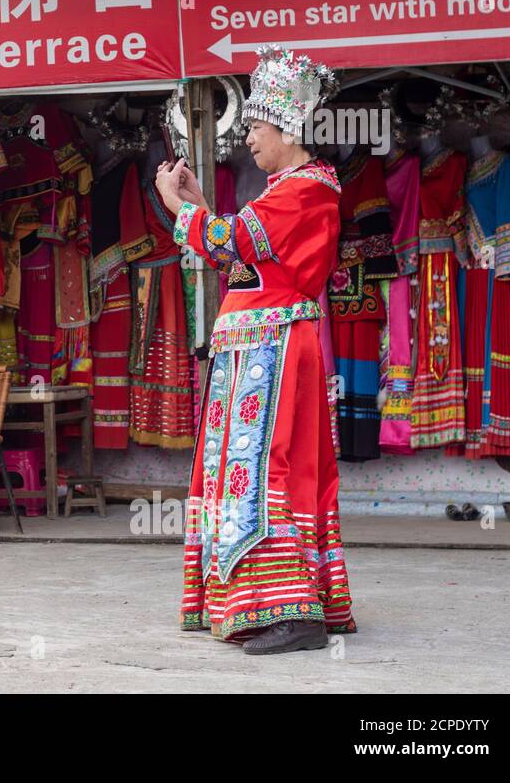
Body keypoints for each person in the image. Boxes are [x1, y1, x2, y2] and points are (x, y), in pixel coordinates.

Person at [154, 45, 357, 654]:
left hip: (273, 351)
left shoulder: (307, 190)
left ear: (287, 129)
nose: (249, 140)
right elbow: (249, 256)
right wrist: (200, 207)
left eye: (257, 128)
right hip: (255, 347)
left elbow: (234, 239)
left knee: (266, 468)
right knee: (244, 470)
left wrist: (180, 207)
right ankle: (258, 604)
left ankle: (291, 611)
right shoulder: (288, 191)